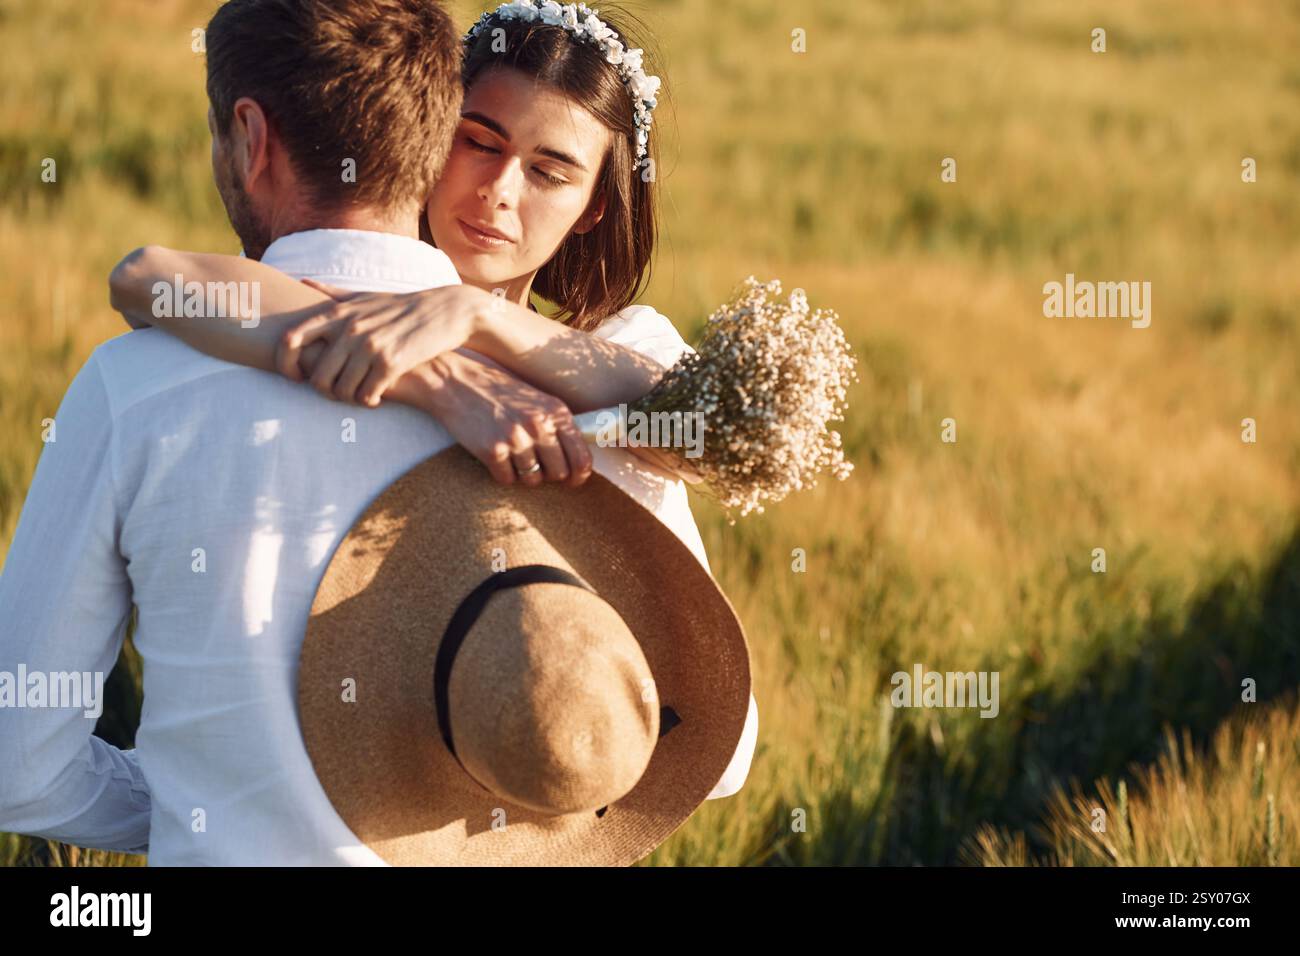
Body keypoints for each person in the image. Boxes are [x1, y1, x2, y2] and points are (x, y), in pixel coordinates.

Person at [0, 0, 756, 866]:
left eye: (551, 170)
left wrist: (204, 799)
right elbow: (147, 278)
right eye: (479, 140)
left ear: (593, 204)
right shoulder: (264, 323)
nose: (498, 193)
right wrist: (433, 372)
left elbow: (18, 765)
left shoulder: (603, 383)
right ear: (432, 134)